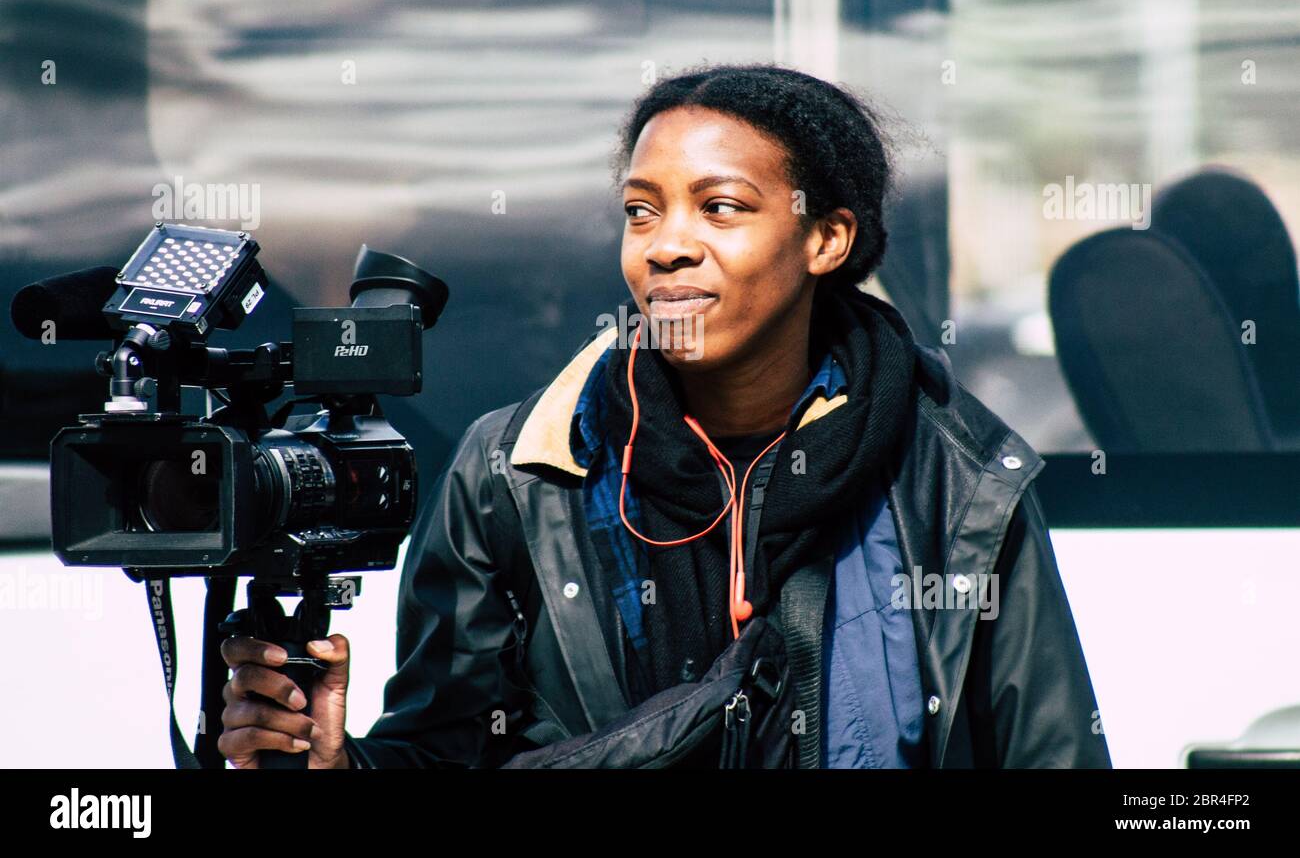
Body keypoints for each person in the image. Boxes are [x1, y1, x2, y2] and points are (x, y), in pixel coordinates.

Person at [217, 62, 1112, 769]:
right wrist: (333, 763)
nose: (667, 245)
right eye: (641, 212)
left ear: (826, 238)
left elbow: (1052, 753)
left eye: (721, 208)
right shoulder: (514, 473)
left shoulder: (958, 477)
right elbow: (443, 752)